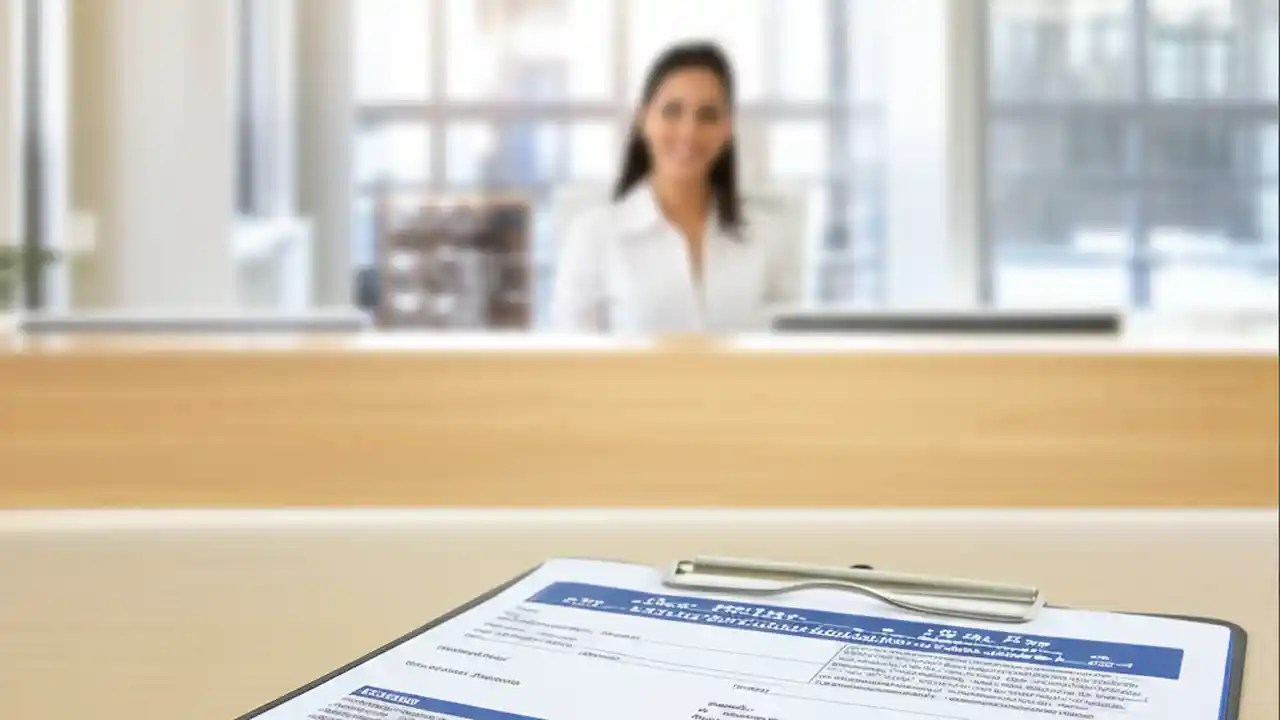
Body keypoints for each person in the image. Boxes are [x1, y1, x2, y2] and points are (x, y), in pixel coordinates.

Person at [551, 42, 798, 333]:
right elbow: (572, 361)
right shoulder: (595, 234)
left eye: (708, 115)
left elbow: (786, 353)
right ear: (643, 119)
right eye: (672, 111)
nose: (689, 132)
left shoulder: (765, 235)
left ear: (727, 129)